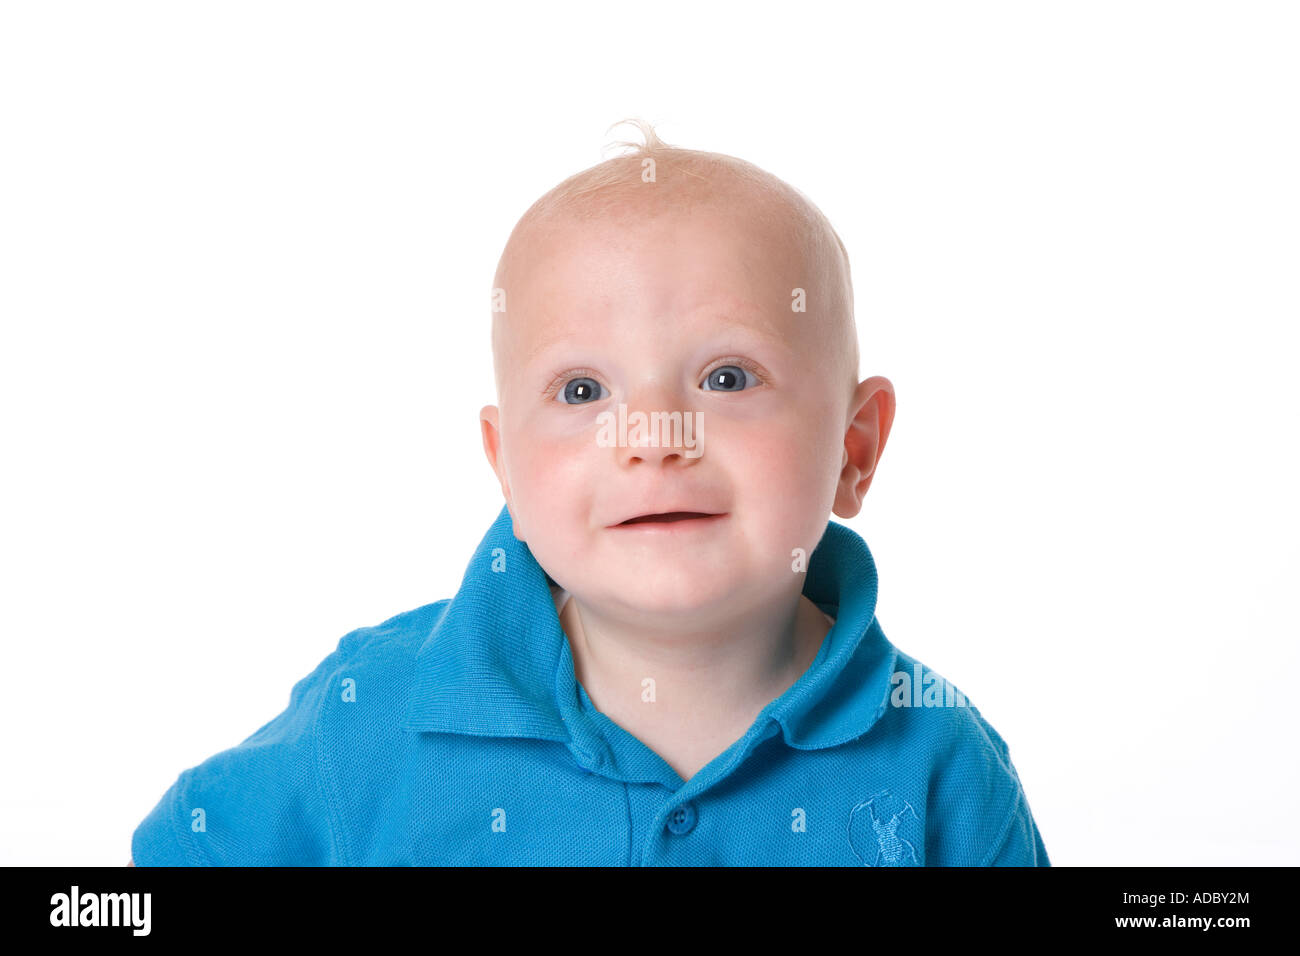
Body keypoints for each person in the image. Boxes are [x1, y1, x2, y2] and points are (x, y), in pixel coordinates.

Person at [130, 119, 1049, 865]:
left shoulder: (939, 763)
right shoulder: (374, 714)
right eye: (581, 392)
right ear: (508, 468)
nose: (653, 438)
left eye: (728, 378)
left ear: (855, 449)